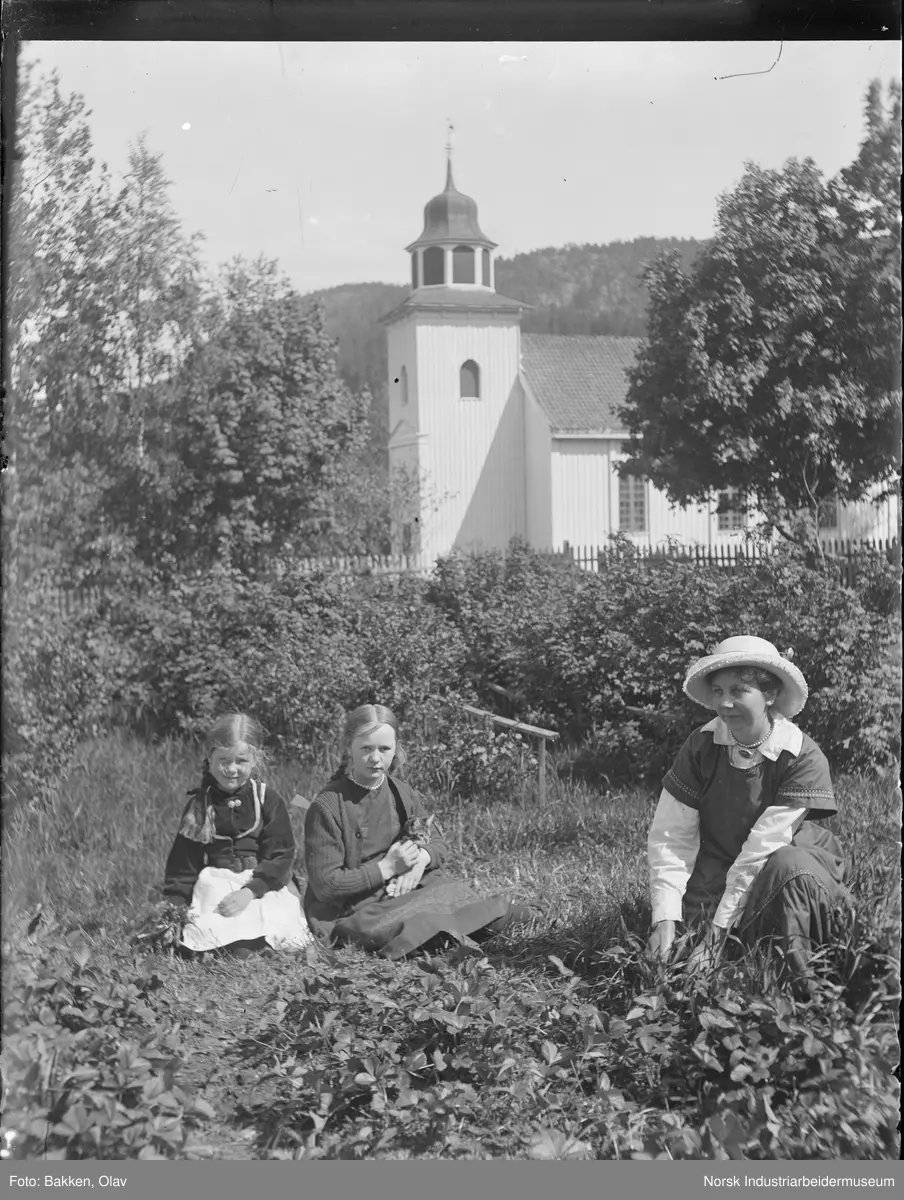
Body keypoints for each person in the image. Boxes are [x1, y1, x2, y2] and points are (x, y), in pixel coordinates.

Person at [646, 636, 848, 982]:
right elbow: (671, 834)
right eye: (718, 691)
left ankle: (803, 994)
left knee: (787, 875)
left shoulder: (801, 755)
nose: (725, 703)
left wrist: (716, 936)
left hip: (780, 864)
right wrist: (663, 919)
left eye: (739, 691)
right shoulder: (701, 745)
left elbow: (762, 849)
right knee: (677, 948)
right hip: (721, 861)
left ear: (769, 695)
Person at [303, 704, 532, 959]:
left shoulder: (402, 792)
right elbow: (326, 885)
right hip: (359, 908)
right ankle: (438, 934)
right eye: (366, 748)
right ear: (349, 748)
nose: (375, 758)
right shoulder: (328, 805)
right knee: (421, 924)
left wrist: (420, 860)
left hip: (410, 888)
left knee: (485, 912)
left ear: (396, 749)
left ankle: (465, 925)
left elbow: (438, 844)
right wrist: (387, 868)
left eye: (384, 749)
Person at [163, 713, 312, 957]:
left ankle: (257, 948)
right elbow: (183, 863)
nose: (231, 769)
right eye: (223, 759)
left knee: (277, 923)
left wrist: (250, 890)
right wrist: (174, 906)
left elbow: (281, 855)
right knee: (212, 928)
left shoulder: (267, 799)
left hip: (263, 882)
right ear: (209, 758)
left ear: (255, 759)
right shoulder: (200, 806)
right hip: (217, 880)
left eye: (241, 761)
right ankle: (231, 949)